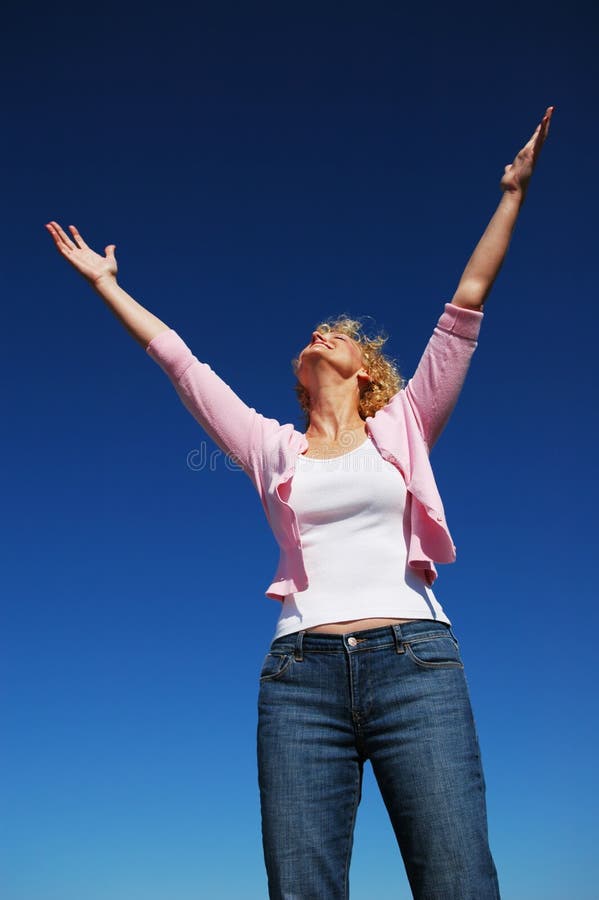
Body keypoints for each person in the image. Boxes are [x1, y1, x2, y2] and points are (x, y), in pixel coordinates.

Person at [46, 106, 553, 900]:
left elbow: (467, 302)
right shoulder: (271, 450)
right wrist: (110, 286)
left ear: (365, 371)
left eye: (343, 335)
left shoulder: (407, 422)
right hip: (298, 680)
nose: (325, 332)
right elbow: (183, 366)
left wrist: (512, 195)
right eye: (319, 331)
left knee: (457, 881)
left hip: (416, 667)